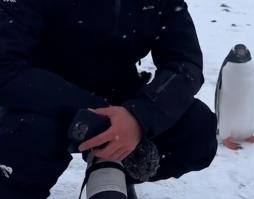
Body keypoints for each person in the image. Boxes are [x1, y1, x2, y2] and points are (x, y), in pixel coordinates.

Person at [0, 0, 218, 198]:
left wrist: (140, 117)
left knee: (197, 130)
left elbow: (185, 65)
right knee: (27, 139)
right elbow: (6, 68)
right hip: (43, 100)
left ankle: (117, 169)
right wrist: (102, 116)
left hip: (123, 101)